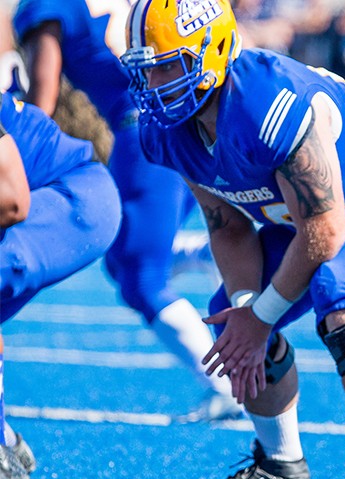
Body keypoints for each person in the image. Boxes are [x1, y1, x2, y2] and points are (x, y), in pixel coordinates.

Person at [119, 0, 345, 479]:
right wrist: (245, 306)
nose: (155, 83)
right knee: (230, 314)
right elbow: (228, 225)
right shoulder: (168, 127)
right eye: (148, 69)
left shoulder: (262, 98)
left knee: (342, 289)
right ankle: (282, 467)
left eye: (169, 64)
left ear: (212, 52)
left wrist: (262, 317)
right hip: (313, 212)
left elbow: (325, 231)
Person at [13, 0, 242, 423]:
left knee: (141, 279)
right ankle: (203, 253)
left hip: (142, 127)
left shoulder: (47, 6)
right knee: (123, 261)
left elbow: (42, 97)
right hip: (183, 114)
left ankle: (226, 386)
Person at [0, 92, 122, 479]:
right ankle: (6, 443)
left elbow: (12, 199)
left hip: (74, 196)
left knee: (145, 277)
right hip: (61, 196)